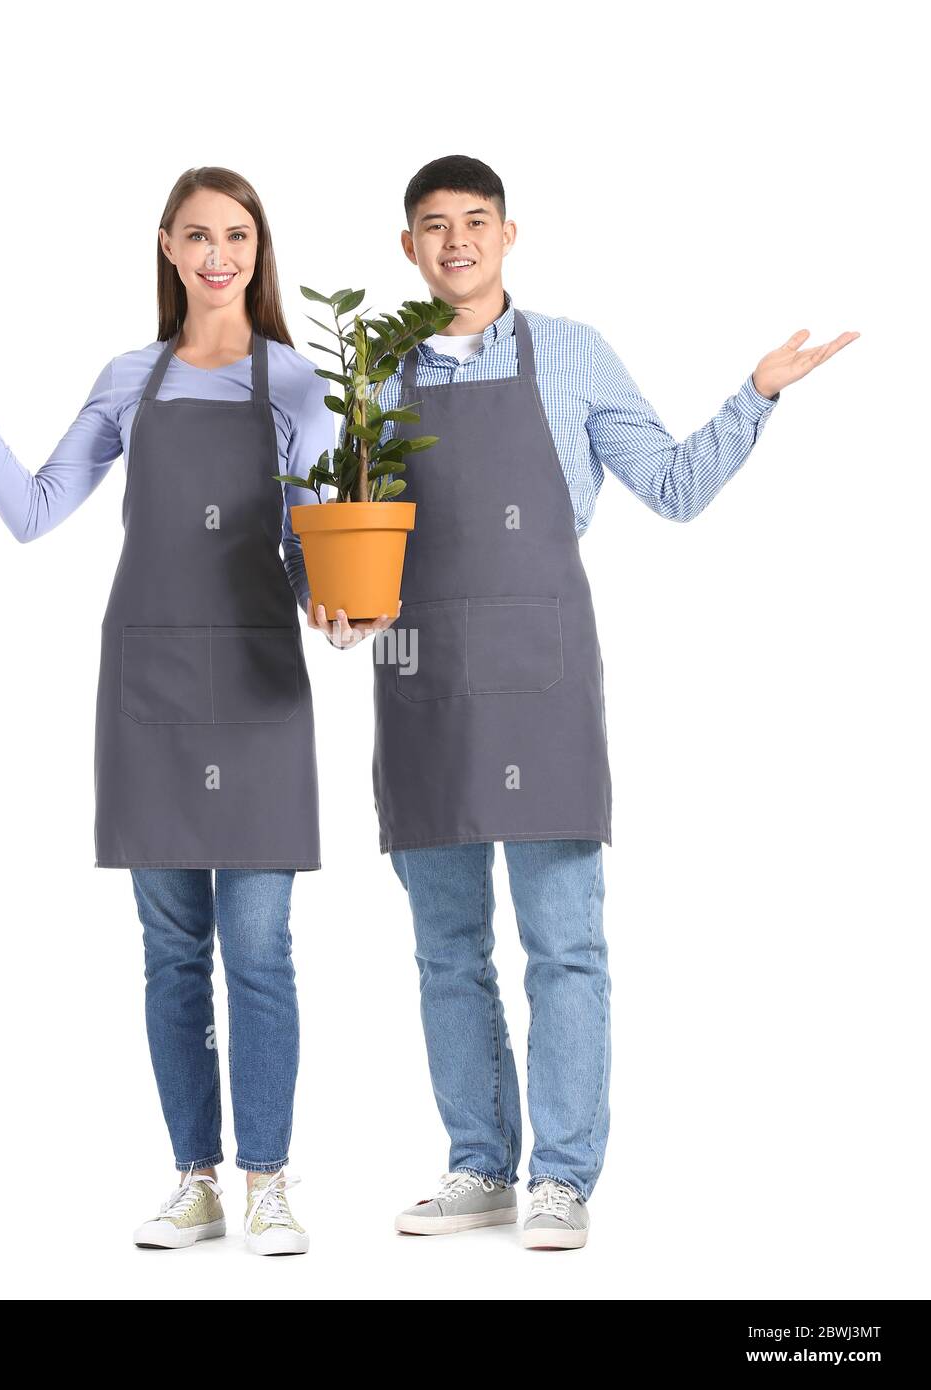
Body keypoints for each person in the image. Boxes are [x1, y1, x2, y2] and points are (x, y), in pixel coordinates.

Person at [333, 153, 858, 1250]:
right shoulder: (372, 374)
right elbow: (339, 531)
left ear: (509, 235)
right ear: (408, 247)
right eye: (435, 225)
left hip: (542, 678)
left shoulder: (570, 354)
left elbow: (670, 486)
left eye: (475, 221)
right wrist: (327, 603)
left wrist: (754, 394)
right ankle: (479, 1163)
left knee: (565, 943)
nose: (457, 241)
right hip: (421, 681)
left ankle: (561, 1178)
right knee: (445, 947)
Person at [0, 166, 337, 1257]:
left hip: (260, 685)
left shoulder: (302, 385)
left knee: (259, 947)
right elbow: (36, 512)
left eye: (237, 235)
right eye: (197, 236)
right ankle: (196, 1180)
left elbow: (315, 547)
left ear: (258, 250)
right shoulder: (129, 378)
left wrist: (346, 610)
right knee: (172, 951)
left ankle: (268, 1177)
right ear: (167, 249)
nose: (218, 254)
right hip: (148, 690)